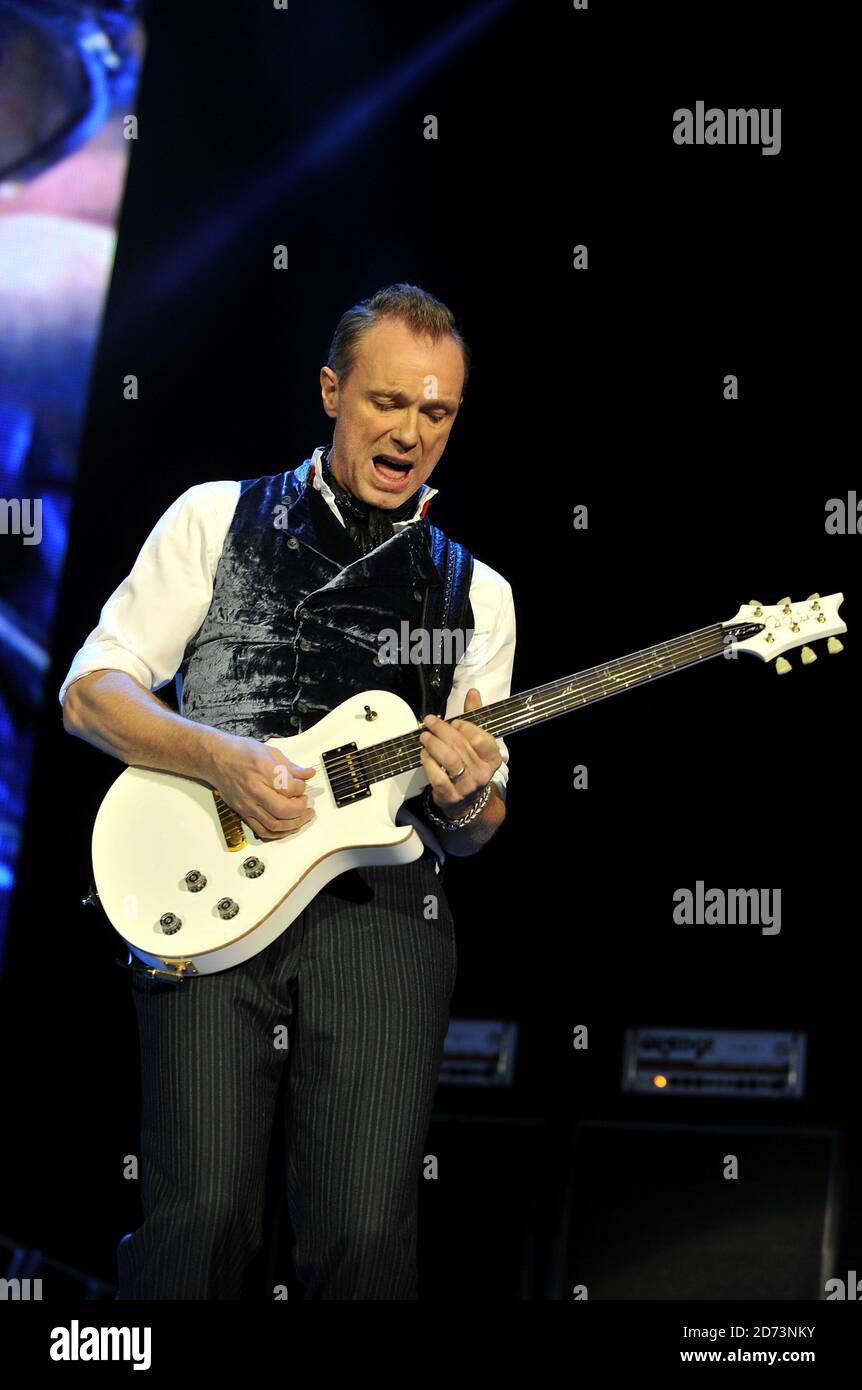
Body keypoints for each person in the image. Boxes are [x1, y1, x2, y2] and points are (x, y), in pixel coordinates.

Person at [59, 283, 516, 1299]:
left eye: (435, 413)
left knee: (362, 1237)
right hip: (205, 887)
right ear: (331, 391)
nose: (408, 432)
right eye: (386, 402)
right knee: (200, 1219)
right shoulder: (214, 517)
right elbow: (92, 692)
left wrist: (462, 796)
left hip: (383, 918)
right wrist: (219, 756)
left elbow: (479, 826)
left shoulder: (478, 595)